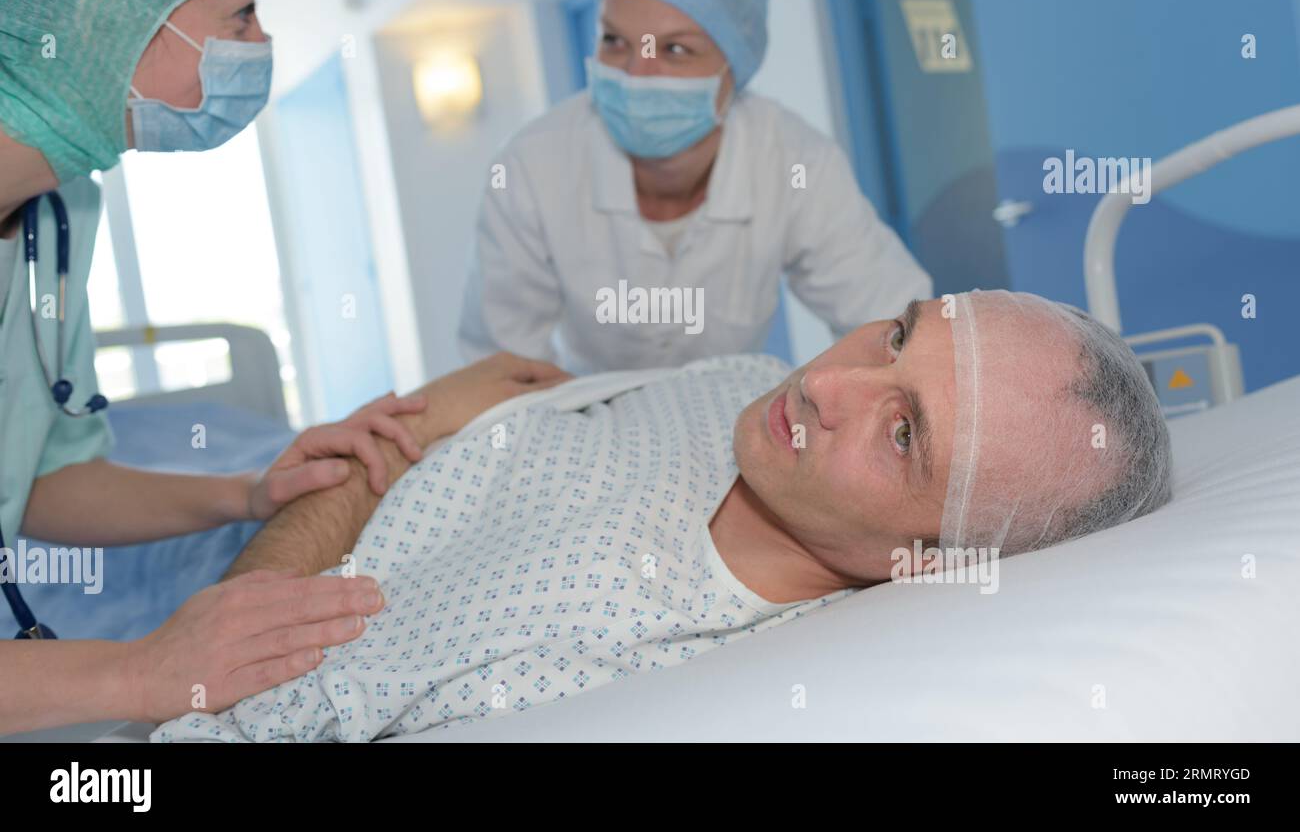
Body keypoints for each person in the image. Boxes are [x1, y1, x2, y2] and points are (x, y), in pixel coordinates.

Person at [0, 0, 571, 736]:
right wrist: (142, 672)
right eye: (240, 14)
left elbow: (43, 481)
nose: (260, 42)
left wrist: (251, 492)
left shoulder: (62, 213)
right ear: (96, 19)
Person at [153, 290, 1173, 741]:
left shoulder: (618, 646)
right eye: (895, 333)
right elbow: (493, 401)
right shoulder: (744, 384)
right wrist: (424, 429)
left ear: (926, 563)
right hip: (240, 494)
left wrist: (406, 442)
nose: (827, 384)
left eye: (903, 432)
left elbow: (194, 705)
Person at [459, 0, 933, 375]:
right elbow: (502, 370)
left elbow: (895, 324)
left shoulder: (793, 163)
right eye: (615, 41)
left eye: (675, 50)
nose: (636, 75)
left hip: (726, 422)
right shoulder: (532, 168)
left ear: (736, 68)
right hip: (581, 423)